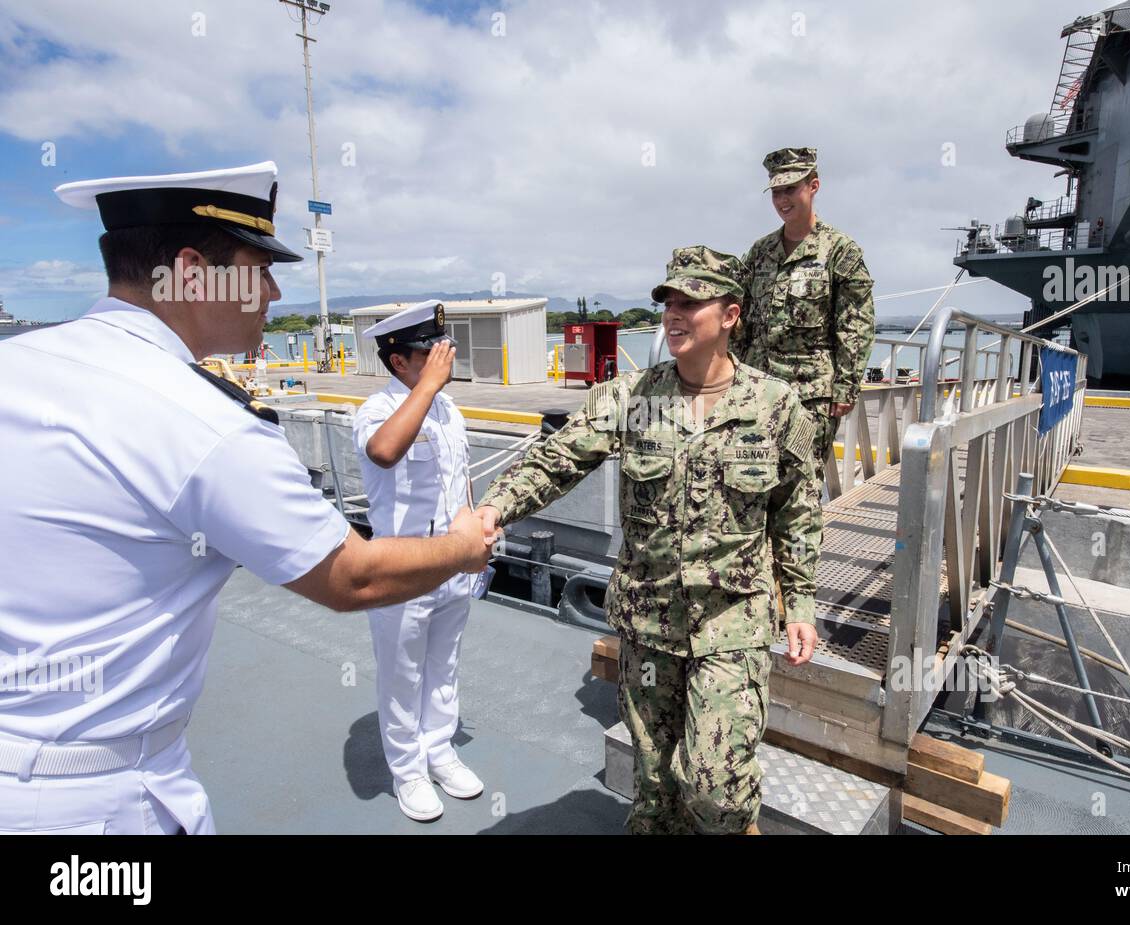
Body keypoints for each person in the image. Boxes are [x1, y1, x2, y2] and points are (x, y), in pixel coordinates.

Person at [0, 163, 492, 834]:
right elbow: (351, 576)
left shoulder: (23, 365)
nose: (274, 291)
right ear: (194, 271)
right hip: (95, 804)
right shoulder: (202, 419)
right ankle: (411, 764)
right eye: (259, 268)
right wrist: (466, 549)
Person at [476, 246, 823, 834]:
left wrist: (803, 603)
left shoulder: (775, 406)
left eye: (692, 302)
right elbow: (560, 458)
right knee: (656, 785)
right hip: (649, 621)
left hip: (731, 623)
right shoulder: (630, 399)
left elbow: (798, 510)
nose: (674, 315)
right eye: (668, 303)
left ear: (731, 315)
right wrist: (494, 507)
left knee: (717, 786)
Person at [352, 301, 484, 822]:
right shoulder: (377, 409)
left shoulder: (449, 410)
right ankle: (407, 771)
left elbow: (461, 478)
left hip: (452, 564)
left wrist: (475, 529)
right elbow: (385, 451)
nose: (440, 363)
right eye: (427, 356)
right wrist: (426, 388)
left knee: (443, 665)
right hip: (403, 568)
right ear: (398, 362)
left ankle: (440, 750)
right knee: (402, 673)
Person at [734, 146, 876, 487]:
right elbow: (739, 314)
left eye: (791, 189)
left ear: (813, 186)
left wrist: (845, 386)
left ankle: (797, 544)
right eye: (776, 192)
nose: (783, 200)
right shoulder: (760, 251)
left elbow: (855, 321)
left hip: (808, 395)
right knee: (749, 483)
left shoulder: (839, 250)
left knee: (800, 489)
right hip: (755, 389)